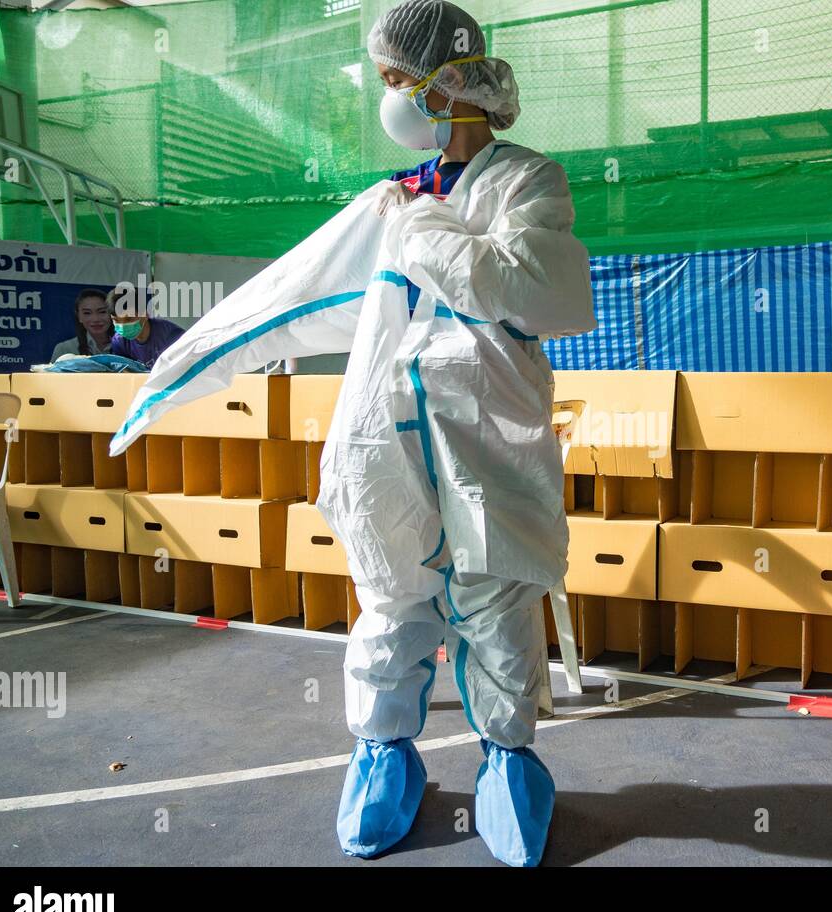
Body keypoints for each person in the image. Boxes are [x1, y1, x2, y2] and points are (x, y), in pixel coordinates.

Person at [108, 0, 596, 867]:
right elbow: (283, 297)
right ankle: (382, 757)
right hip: (383, 444)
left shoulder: (526, 182)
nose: (391, 99)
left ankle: (510, 768)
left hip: (487, 439)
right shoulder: (385, 202)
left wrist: (422, 230)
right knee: (390, 603)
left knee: (496, 608)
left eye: (398, 81)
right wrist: (177, 373)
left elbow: (540, 293)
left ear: (451, 82)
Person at [106, 289, 185, 369]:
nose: (122, 326)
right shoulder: (119, 342)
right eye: (116, 320)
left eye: (129, 319)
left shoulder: (172, 335)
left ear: (145, 314)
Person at [49, 288, 113, 362]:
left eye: (102, 312)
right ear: (79, 317)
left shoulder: (126, 347)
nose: (95, 319)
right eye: (87, 313)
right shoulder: (64, 349)